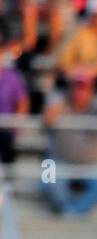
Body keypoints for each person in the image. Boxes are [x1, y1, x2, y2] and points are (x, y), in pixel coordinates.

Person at [40, 66, 97, 214]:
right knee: (47, 181)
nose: (79, 91)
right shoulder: (58, 99)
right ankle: (69, 211)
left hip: (92, 164)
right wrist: (61, 107)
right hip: (57, 160)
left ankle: (71, 214)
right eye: (76, 86)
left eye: (83, 87)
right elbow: (47, 118)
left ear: (91, 89)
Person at [0, 22, 28, 178]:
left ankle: (9, 184)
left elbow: (23, 102)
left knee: (6, 140)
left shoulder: (12, 76)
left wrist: (16, 125)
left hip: (5, 127)